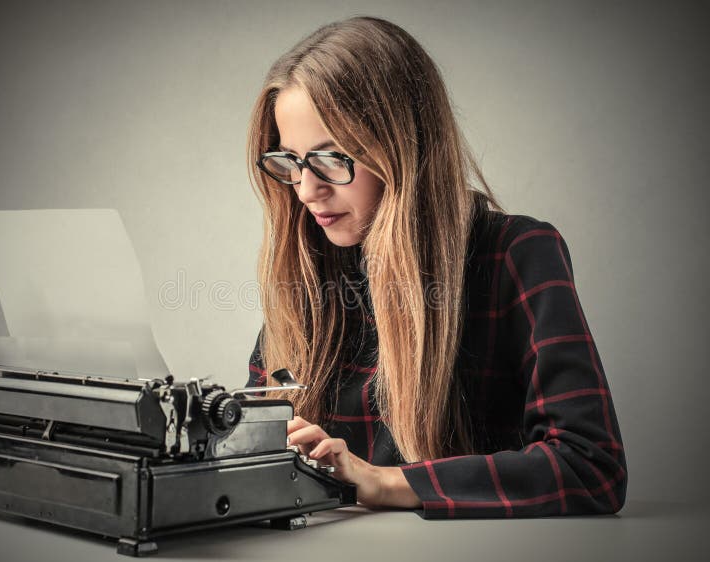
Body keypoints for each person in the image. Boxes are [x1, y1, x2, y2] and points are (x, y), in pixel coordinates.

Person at [244, 16, 627, 518]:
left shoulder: (518, 253)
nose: (307, 191)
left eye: (331, 158)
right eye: (290, 162)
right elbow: (252, 445)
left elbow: (590, 467)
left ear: (403, 149)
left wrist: (380, 482)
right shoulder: (309, 269)